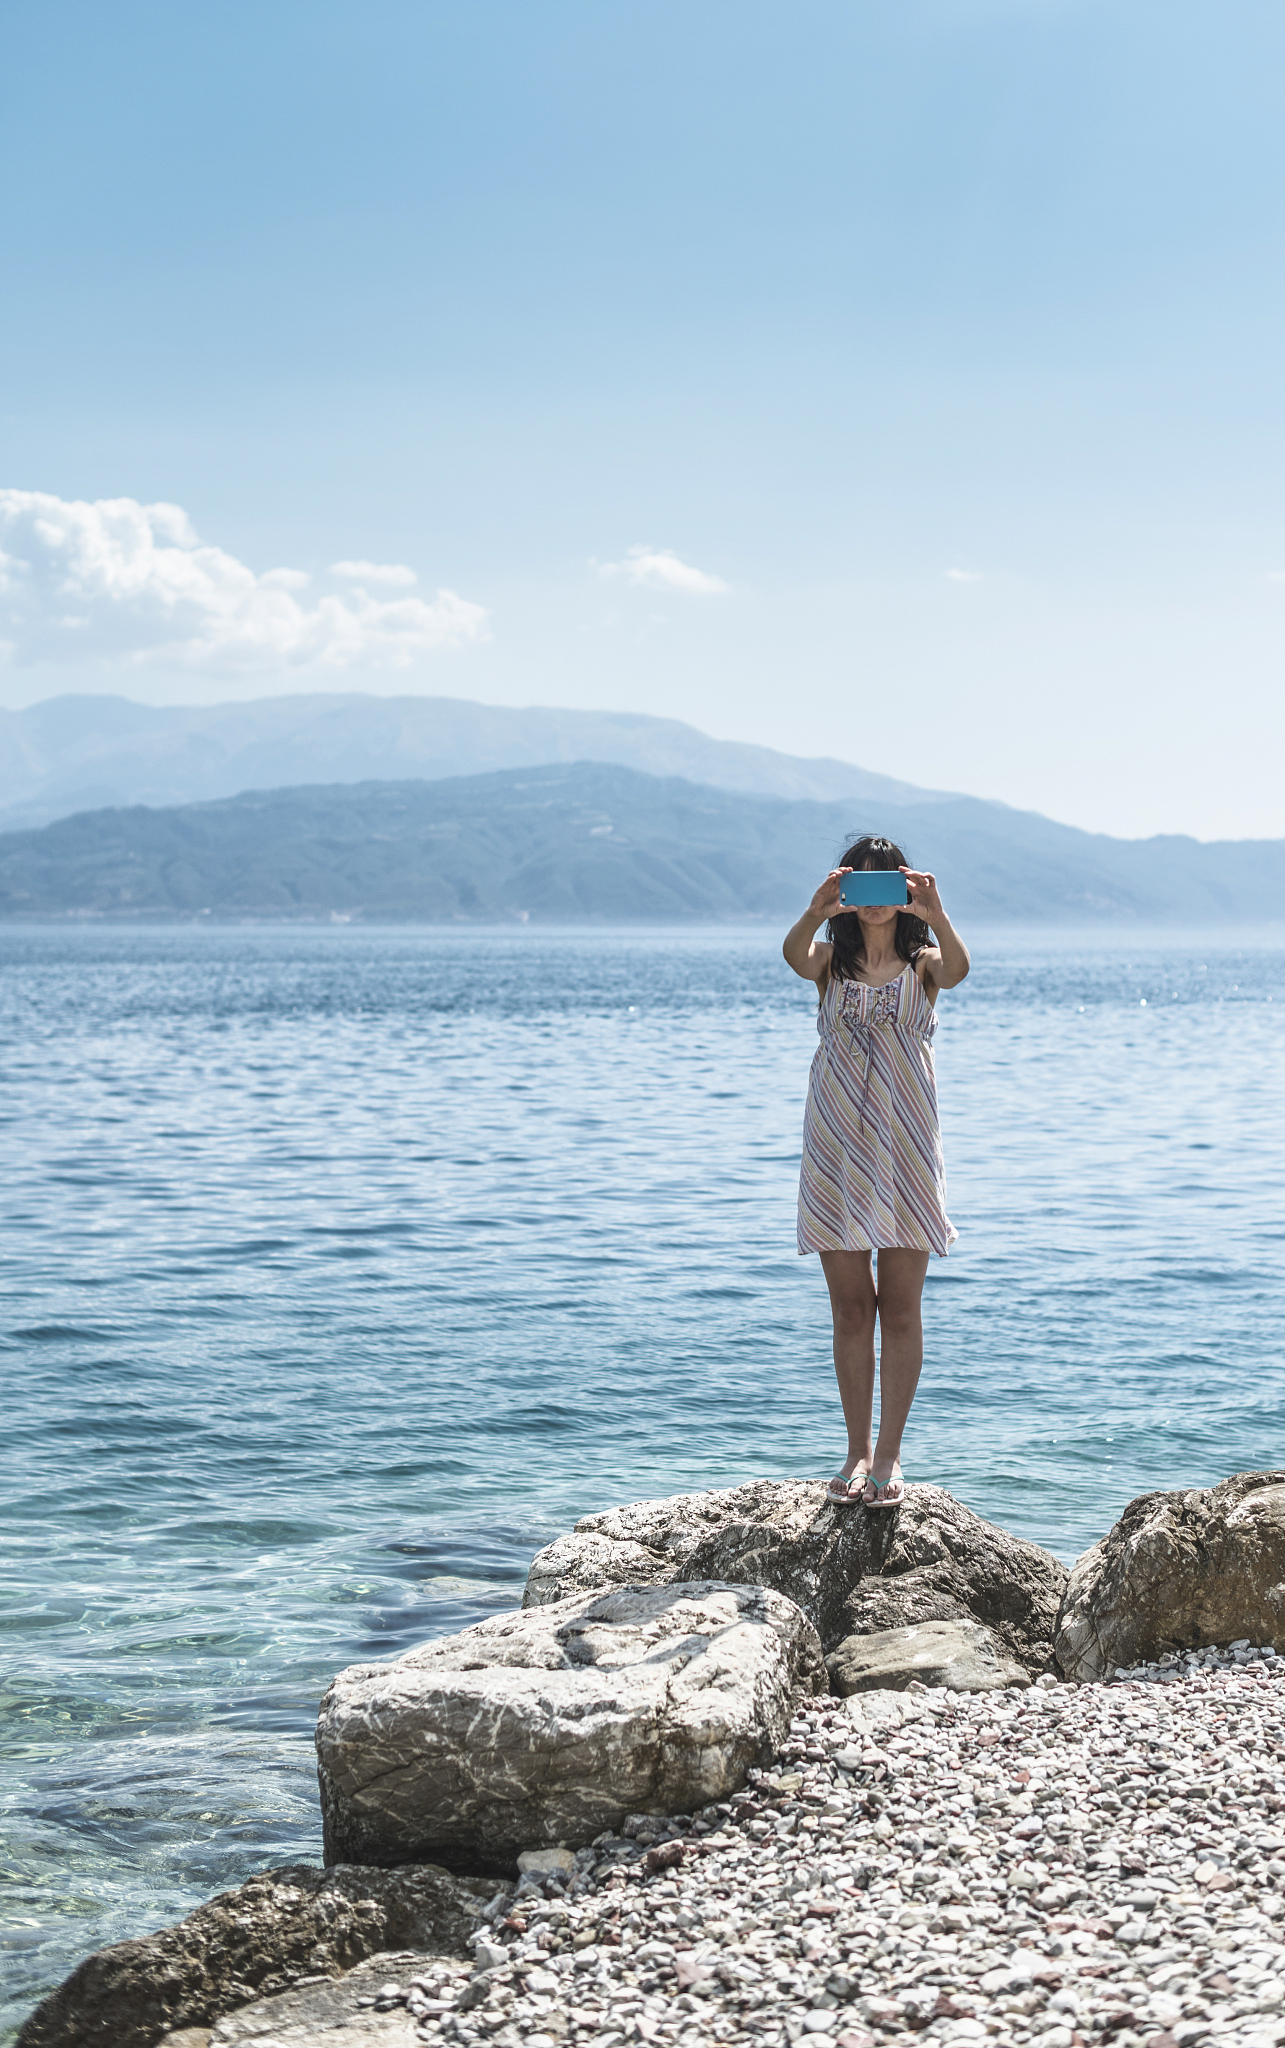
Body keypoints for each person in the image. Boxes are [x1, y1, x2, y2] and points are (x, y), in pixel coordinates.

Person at [782, 836, 970, 1508]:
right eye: (858, 888)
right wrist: (813, 911)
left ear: (905, 890)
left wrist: (938, 913)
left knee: (900, 1305)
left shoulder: (924, 964)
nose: (872, 902)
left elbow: (959, 971)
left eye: (883, 886)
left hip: (906, 1149)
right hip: (836, 1146)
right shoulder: (829, 961)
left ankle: (889, 1454)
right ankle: (854, 1450)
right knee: (849, 1308)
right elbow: (792, 955)